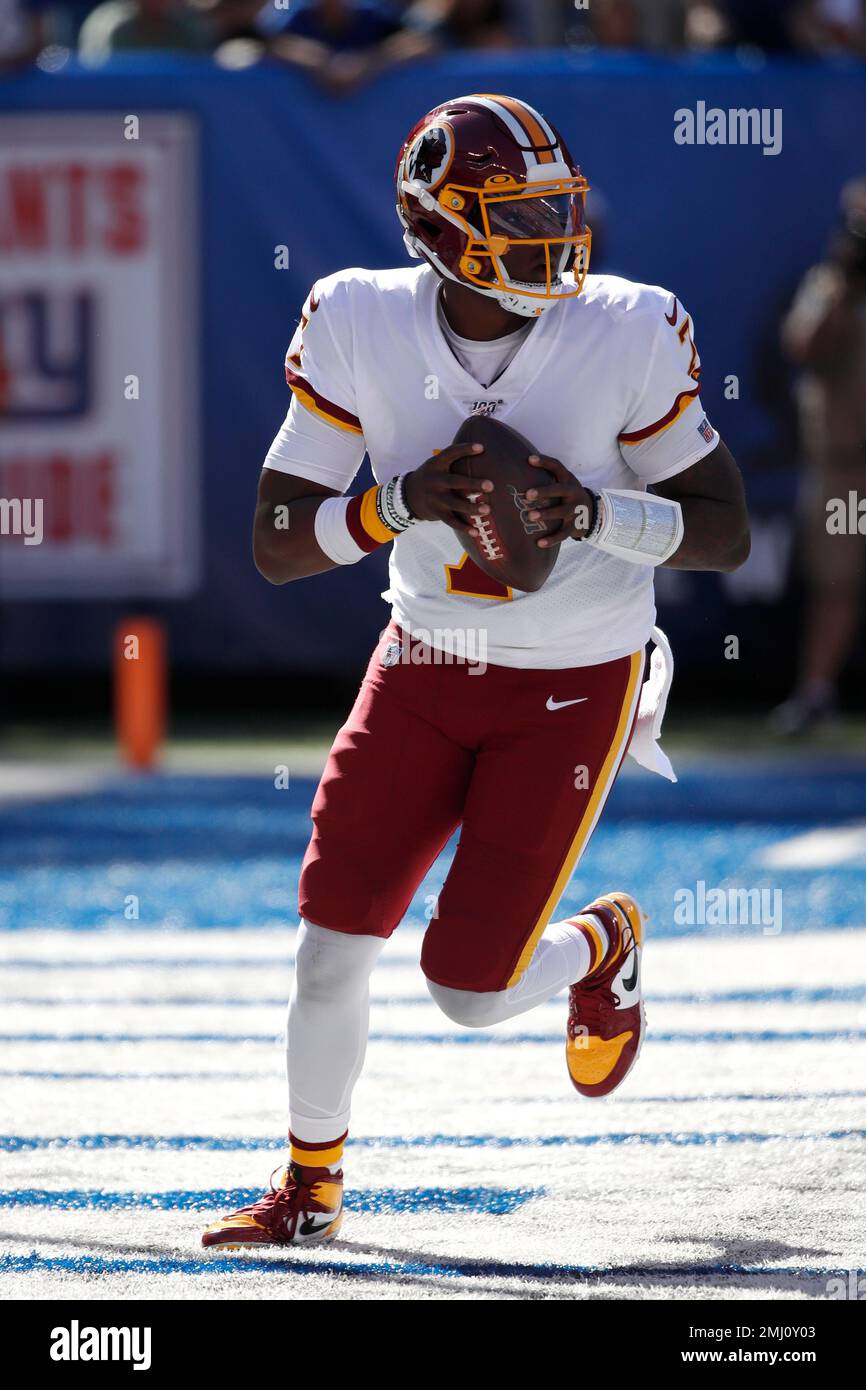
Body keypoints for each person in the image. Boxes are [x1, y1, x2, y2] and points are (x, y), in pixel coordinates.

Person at [201, 93, 750, 1249]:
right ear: (431, 227)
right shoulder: (355, 315)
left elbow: (722, 528)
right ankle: (311, 1185)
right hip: (420, 661)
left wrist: (594, 513)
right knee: (327, 943)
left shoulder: (629, 324)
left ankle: (600, 941)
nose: (552, 232)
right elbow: (277, 541)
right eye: (517, 212)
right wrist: (397, 504)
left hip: (570, 682)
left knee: (467, 989)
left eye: (557, 205)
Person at [773, 177, 866, 734]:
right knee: (834, 582)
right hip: (846, 464)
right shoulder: (830, 284)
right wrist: (847, 290)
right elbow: (802, 348)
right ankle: (815, 693)